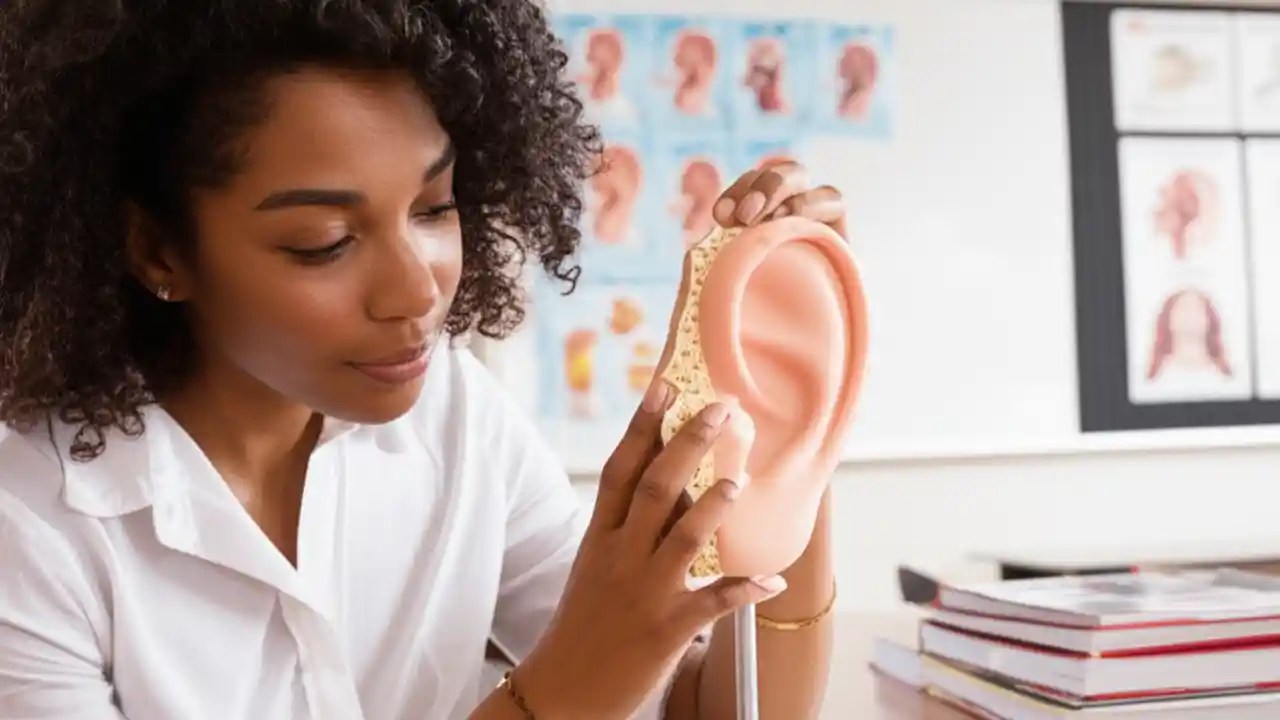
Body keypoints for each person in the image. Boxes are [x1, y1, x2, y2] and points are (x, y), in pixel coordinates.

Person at [0, 2, 847, 719]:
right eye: (322, 243)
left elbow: (714, 710)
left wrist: (792, 437)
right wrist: (562, 695)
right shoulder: (30, 530)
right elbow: (596, 685)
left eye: (436, 208)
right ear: (157, 250)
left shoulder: (458, 417)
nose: (416, 291)